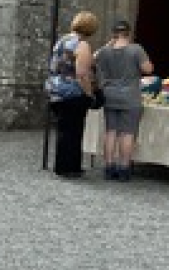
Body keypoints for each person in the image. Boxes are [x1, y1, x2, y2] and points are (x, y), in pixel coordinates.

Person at [94, 19, 154, 181]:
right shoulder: (136, 49)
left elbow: (93, 60)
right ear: (129, 33)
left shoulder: (105, 51)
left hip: (109, 93)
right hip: (130, 95)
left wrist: (107, 45)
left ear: (113, 33)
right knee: (127, 133)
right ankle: (124, 168)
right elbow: (147, 69)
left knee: (110, 131)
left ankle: (108, 166)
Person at [46, 10, 100, 178]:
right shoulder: (82, 45)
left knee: (64, 130)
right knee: (74, 130)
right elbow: (82, 73)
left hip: (55, 89)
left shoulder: (62, 41)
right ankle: (70, 166)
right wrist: (90, 93)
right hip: (72, 92)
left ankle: (63, 165)